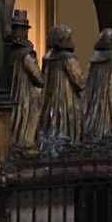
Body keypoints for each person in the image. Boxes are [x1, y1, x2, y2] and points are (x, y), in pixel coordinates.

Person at [35, 23, 85, 153]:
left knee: (50, 119)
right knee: (66, 118)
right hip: (66, 95)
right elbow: (78, 80)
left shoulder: (47, 57)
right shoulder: (68, 58)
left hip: (50, 96)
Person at [7, 8, 44, 150]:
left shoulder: (9, 51)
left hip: (11, 93)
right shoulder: (27, 54)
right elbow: (39, 79)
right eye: (23, 30)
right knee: (26, 120)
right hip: (25, 95)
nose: (25, 33)